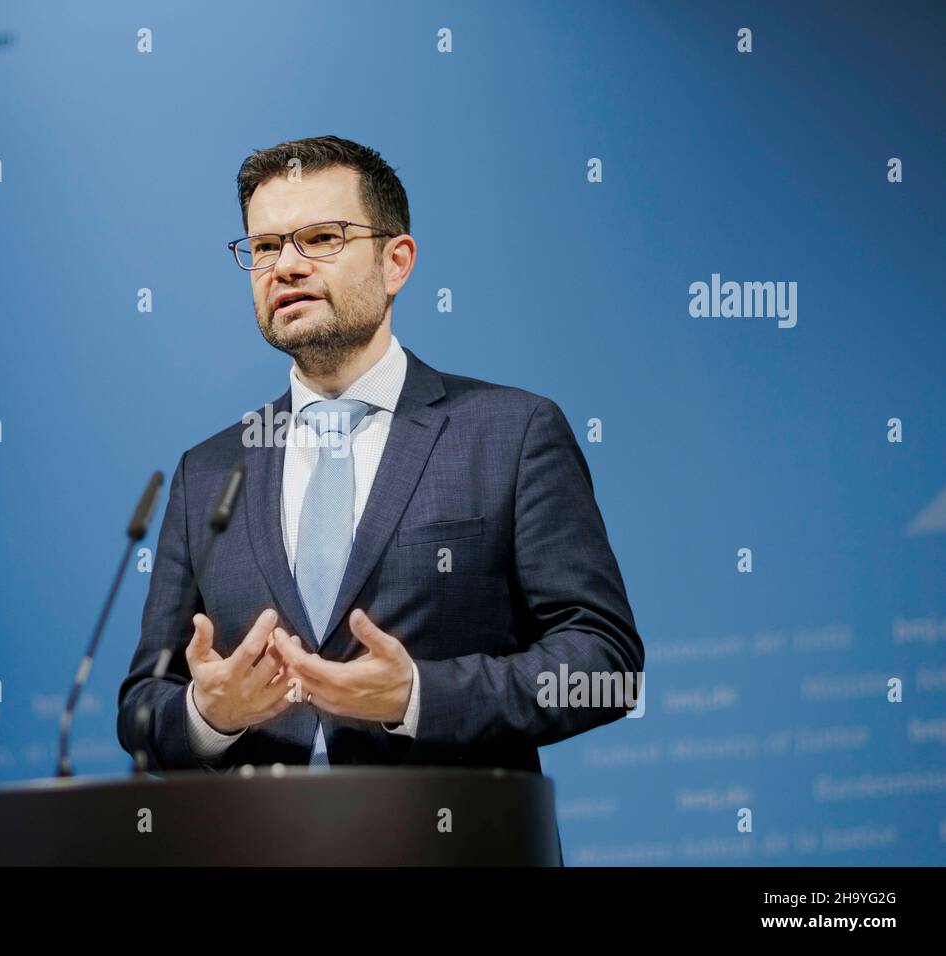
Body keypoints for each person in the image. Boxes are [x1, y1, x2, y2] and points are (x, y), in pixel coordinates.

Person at [117, 135, 643, 776]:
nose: (286, 266)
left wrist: (417, 696)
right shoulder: (208, 474)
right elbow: (142, 708)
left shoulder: (512, 433)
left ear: (396, 262)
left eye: (320, 239)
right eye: (264, 247)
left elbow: (606, 663)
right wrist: (211, 713)